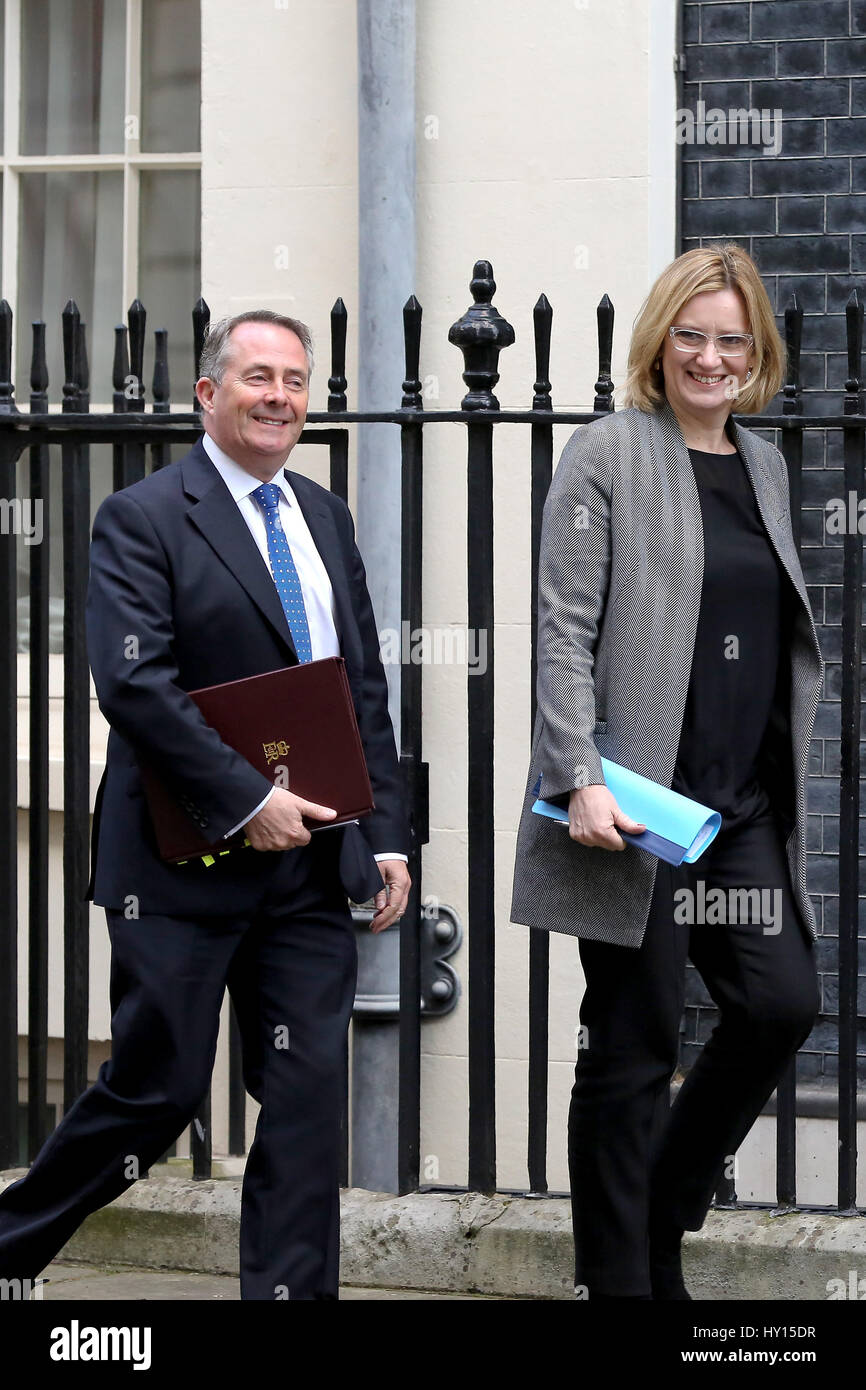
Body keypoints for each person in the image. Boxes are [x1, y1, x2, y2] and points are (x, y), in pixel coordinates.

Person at [0, 309, 411, 1300]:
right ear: (208, 395)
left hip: (312, 864)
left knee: (307, 1097)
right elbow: (136, 686)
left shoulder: (322, 517)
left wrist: (387, 833)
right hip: (181, 865)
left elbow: (357, 683)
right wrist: (244, 800)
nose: (279, 396)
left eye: (296, 381)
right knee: (157, 1090)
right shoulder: (142, 516)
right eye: (258, 376)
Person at [510, 245, 823, 1301]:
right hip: (634, 806)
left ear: (755, 353)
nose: (709, 355)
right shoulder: (606, 452)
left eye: (730, 339)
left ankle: (660, 1204)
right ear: (660, 340)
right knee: (630, 1042)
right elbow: (560, 628)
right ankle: (621, 1281)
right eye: (690, 334)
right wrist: (576, 770)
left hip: (736, 810)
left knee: (780, 1003)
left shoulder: (765, 466)